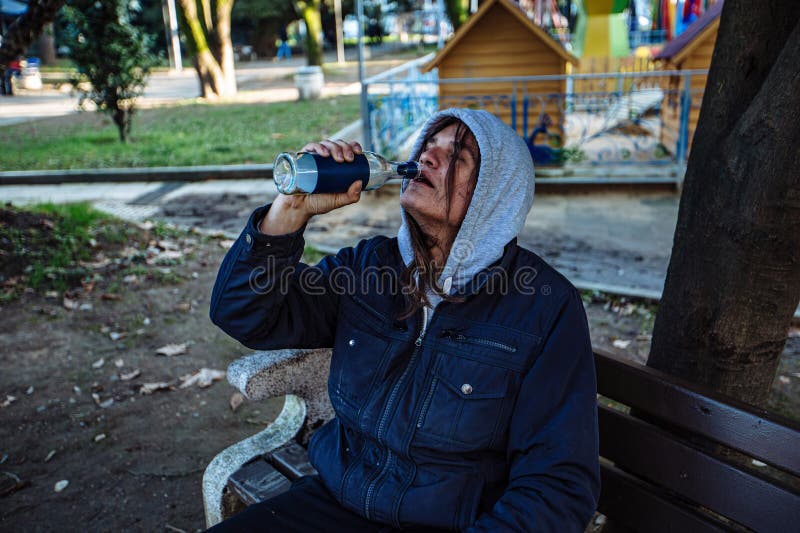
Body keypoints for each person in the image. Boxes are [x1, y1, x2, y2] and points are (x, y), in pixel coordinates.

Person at [209, 108, 600, 532]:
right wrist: (289, 210)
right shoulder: (370, 267)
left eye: (458, 156)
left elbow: (557, 487)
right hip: (334, 501)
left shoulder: (543, 306)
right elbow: (242, 313)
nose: (429, 158)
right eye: (428, 146)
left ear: (496, 192)